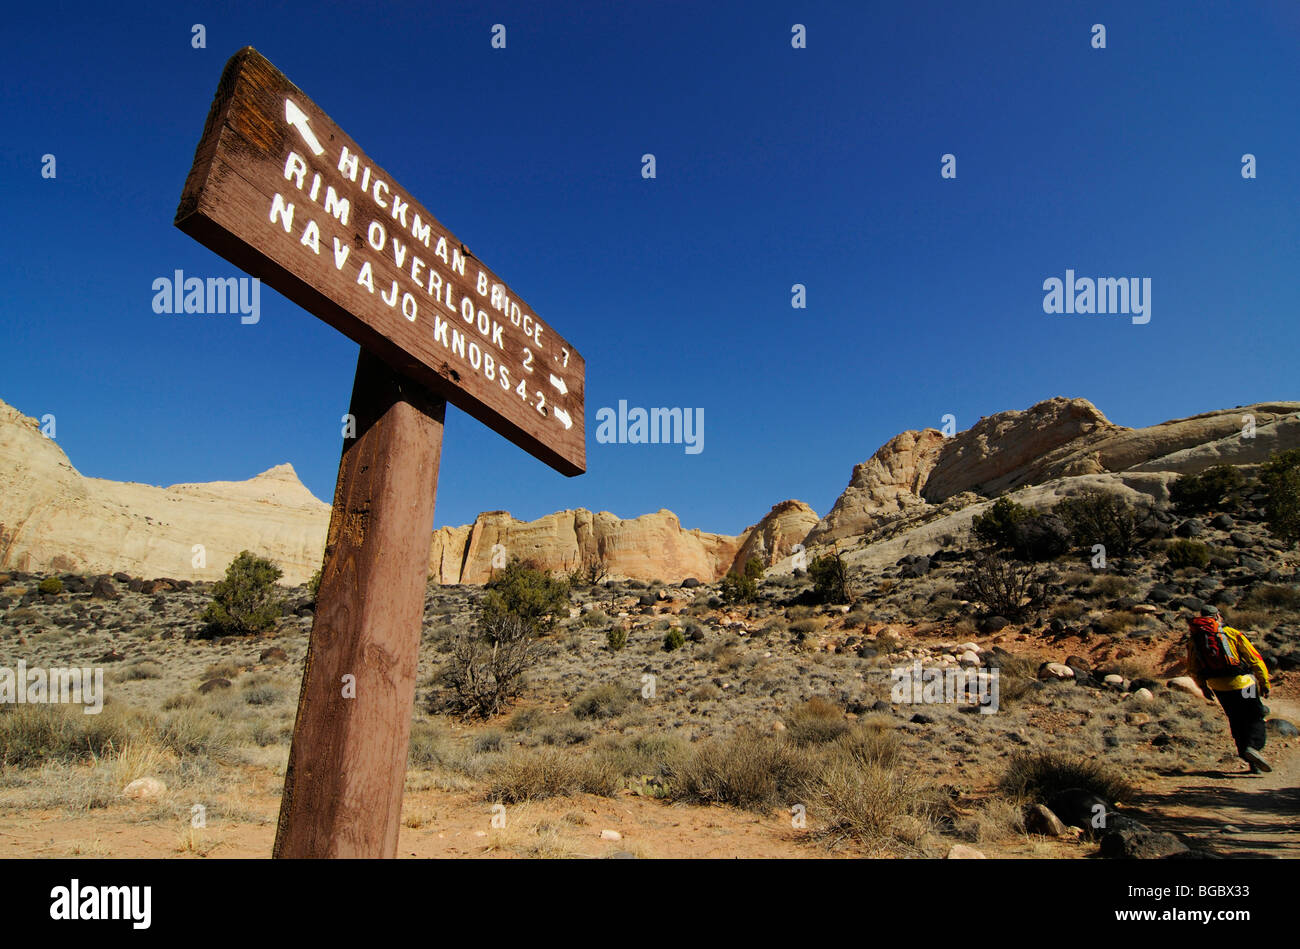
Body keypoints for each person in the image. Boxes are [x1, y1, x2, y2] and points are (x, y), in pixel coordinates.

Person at [1186, 606, 1272, 774]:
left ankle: (1250, 761)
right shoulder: (1232, 633)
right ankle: (1253, 747)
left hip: (1219, 688)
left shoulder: (1194, 639)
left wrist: (1203, 687)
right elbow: (1255, 659)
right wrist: (1264, 683)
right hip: (1244, 685)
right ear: (1218, 616)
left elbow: (1192, 668)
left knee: (1236, 719)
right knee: (1255, 716)